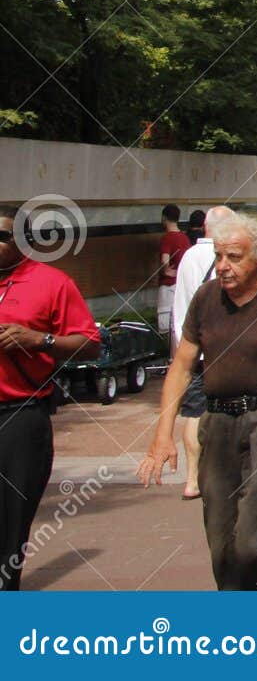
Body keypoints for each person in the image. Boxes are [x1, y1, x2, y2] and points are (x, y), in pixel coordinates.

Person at [137, 212, 257, 590]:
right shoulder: (206, 298)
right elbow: (181, 367)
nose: (223, 266)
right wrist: (163, 435)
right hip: (219, 424)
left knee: (256, 541)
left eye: (234, 257)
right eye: (220, 256)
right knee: (223, 546)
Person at [0, 203, 101, 590]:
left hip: (18, 418)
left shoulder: (52, 283)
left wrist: (36, 340)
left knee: (9, 527)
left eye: (2, 235)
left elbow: (90, 345)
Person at [168, 204, 232, 501]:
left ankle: (192, 478)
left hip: (190, 349)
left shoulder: (189, 257)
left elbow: (178, 304)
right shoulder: (229, 258)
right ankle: (223, 475)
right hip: (222, 350)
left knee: (193, 413)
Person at [155, 203, 189, 333]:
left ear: (164, 218)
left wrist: (166, 270)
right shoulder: (184, 238)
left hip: (168, 286)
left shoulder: (167, 238)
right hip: (180, 285)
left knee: (165, 324)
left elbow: (165, 259)